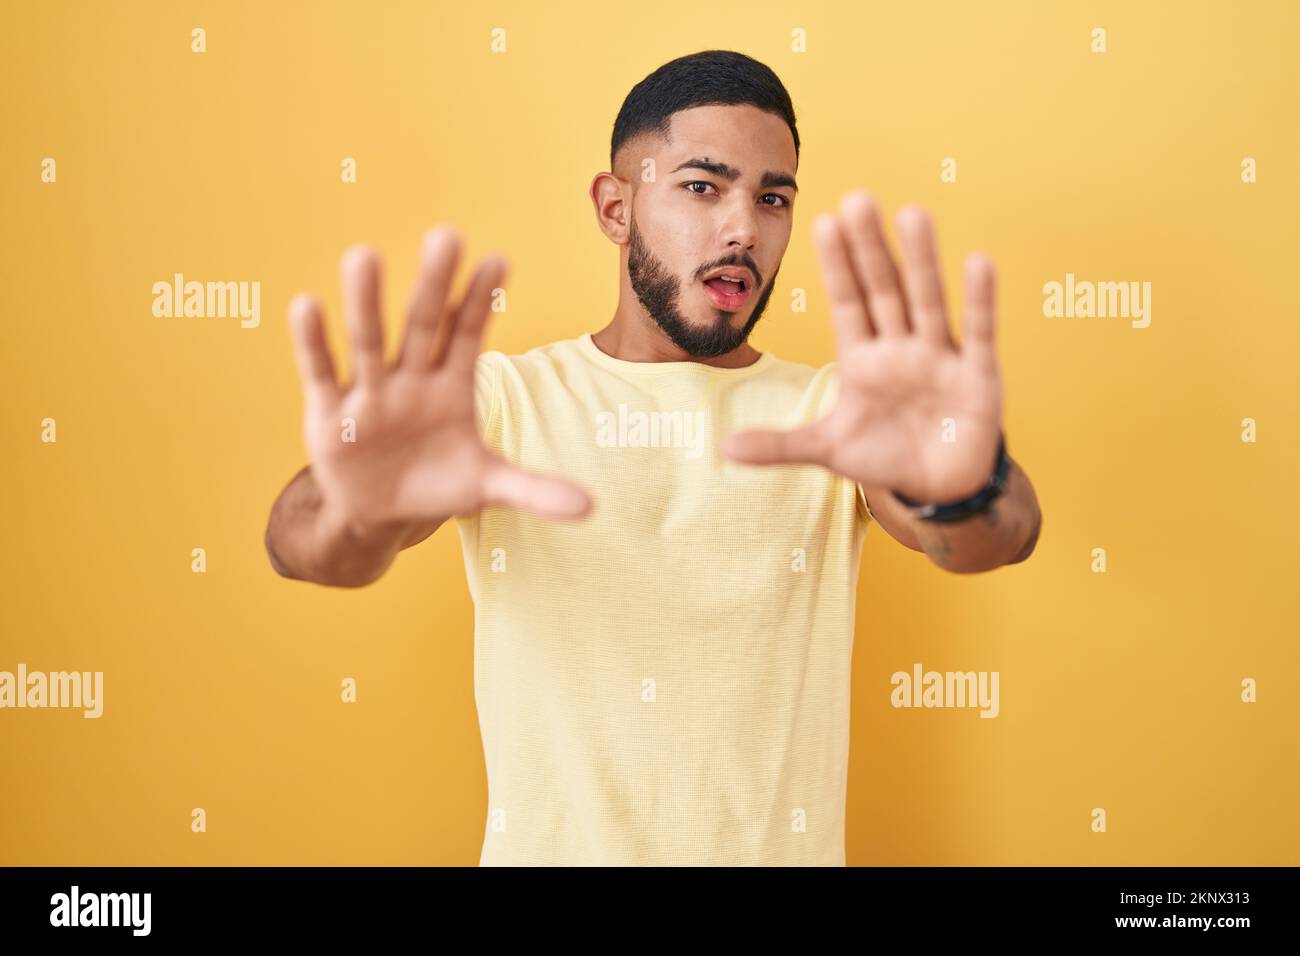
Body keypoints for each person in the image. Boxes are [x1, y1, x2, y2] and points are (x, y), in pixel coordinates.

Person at [264, 49, 1042, 865]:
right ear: (615, 207)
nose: (743, 227)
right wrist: (356, 512)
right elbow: (305, 546)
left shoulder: (834, 417)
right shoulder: (503, 401)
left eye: (772, 198)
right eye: (703, 187)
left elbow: (995, 536)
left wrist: (963, 485)